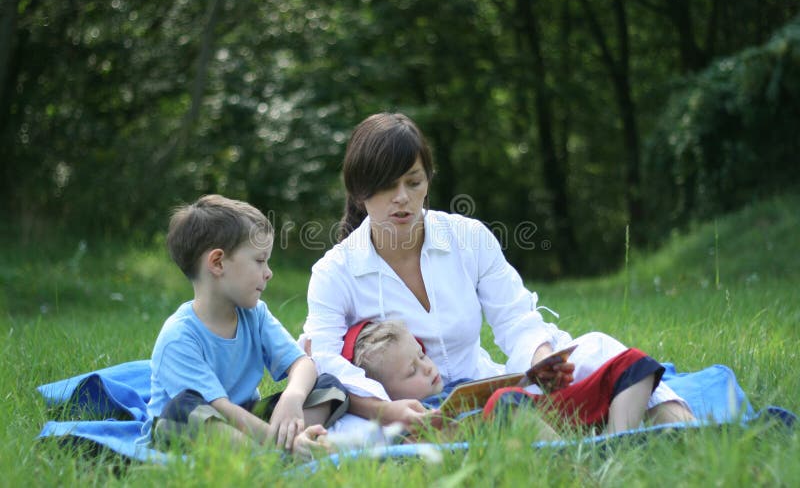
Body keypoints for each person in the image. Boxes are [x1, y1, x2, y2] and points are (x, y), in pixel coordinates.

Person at [302, 112, 694, 431]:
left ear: (428, 183)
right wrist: (381, 410)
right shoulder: (335, 271)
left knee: (600, 347)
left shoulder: (467, 237)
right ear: (359, 191)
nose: (402, 198)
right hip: (400, 409)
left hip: (485, 387)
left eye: (413, 181)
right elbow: (323, 359)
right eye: (387, 186)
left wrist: (543, 362)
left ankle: (677, 425)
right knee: (347, 433)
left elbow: (515, 318)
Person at [145, 194, 348, 459]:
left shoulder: (255, 314)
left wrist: (293, 397)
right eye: (259, 260)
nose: (269, 272)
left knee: (330, 386)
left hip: (248, 418)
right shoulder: (178, 336)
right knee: (183, 409)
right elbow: (221, 408)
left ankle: (287, 443)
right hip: (202, 424)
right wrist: (273, 439)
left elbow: (302, 364)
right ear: (217, 263)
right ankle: (280, 451)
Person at [346, 320, 665, 436]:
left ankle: (616, 443)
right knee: (504, 403)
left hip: (549, 415)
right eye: (412, 371)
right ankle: (577, 467)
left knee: (631, 362)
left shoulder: (466, 382)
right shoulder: (407, 422)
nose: (427, 367)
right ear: (387, 392)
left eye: (422, 356)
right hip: (514, 426)